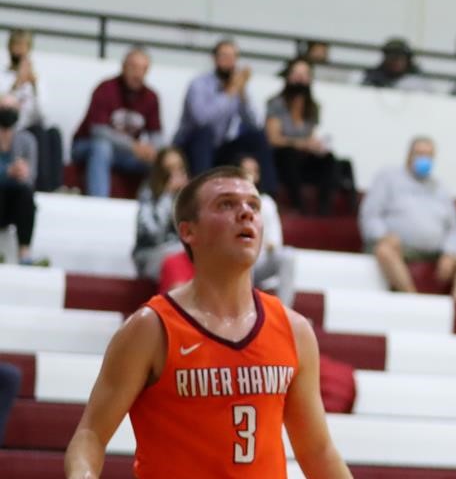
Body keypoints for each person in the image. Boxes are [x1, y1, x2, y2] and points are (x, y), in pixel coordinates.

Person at [64, 164, 354, 478]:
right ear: (188, 231)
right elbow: (90, 435)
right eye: (226, 204)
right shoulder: (150, 328)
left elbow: (318, 451)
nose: (246, 213)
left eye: (253, 205)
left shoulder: (294, 329)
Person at [357, 138, 456, 302]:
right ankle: (412, 299)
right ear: (409, 155)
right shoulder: (388, 177)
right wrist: (384, 235)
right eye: (420, 154)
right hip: (398, 246)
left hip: (434, 250)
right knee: (384, 250)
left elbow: (454, 229)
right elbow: (370, 215)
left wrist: (450, 253)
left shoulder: (440, 187)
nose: (425, 159)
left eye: (429, 155)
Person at [176, 40, 276, 194]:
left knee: (257, 137)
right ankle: (203, 193)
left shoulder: (236, 86)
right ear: (214, 58)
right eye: (224, 56)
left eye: (233, 57)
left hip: (219, 147)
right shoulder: (198, 84)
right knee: (205, 134)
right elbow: (202, 120)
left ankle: (267, 195)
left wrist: (242, 94)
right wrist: (230, 92)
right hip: (191, 145)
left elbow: (255, 123)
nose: (229, 61)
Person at [73, 48, 162, 197]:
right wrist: (133, 146)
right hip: (86, 145)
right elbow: (98, 131)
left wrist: (153, 150)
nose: (137, 73)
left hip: (124, 153)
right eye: (133, 67)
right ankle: (99, 204)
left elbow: (157, 134)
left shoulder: (151, 97)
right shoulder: (106, 89)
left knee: (160, 159)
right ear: (123, 67)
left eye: (143, 69)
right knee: (102, 148)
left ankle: (151, 206)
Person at [265, 60, 345, 215]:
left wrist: (315, 146)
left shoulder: (313, 107)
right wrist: (301, 143)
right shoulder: (276, 103)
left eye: (304, 74)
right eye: (296, 74)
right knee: (289, 154)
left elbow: (310, 136)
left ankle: (324, 209)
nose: (300, 78)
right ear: (288, 77)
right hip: (281, 158)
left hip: (302, 159)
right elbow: (273, 139)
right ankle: (298, 205)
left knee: (329, 158)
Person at [235, 155, 297, 304]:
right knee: (245, 256)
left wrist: (270, 245)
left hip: (260, 259)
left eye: (253, 171)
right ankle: (244, 309)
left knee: (288, 255)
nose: (250, 175)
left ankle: (284, 311)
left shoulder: (267, 202)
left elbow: (275, 241)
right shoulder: (230, 203)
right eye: (246, 171)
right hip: (236, 259)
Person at [132, 147, 193, 290]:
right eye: (170, 169)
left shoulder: (192, 195)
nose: (176, 174)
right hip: (151, 252)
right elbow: (152, 234)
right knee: (176, 258)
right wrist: (167, 196)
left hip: (183, 252)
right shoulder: (148, 192)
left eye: (180, 168)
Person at [9, 29, 60, 193]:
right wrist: (17, 84)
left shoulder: (37, 80)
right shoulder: (4, 76)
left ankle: (56, 186)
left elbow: (45, 116)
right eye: (17, 46)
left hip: (33, 126)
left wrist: (35, 86)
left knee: (53, 133)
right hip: (12, 128)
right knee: (37, 133)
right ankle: (42, 186)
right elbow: (6, 109)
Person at [0, 94, 40, 263]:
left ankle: (24, 252)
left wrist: (23, 172)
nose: (7, 112)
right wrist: (6, 172)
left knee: (25, 194)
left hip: (14, 200)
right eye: (4, 108)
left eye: (12, 108)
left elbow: (31, 176)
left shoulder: (27, 140)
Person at [362, 39, 434, 91]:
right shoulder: (373, 78)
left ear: (408, 61)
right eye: (391, 57)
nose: (395, 62)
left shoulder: (417, 82)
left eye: (400, 58)